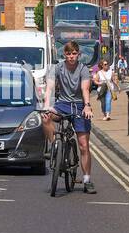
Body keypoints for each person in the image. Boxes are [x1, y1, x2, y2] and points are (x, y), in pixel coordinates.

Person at [42, 41, 96, 194]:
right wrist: (47, 104)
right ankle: (55, 146)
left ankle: (87, 180)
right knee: (45, 117)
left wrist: (87, 105)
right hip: (62, 104)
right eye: (68, 54)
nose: (71, 56)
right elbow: (50, 88)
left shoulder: (83, 69)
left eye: (74, 53)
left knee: (84, 146)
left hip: (79, 106)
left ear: (78, 54)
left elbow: (85, 89)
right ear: (64, 54)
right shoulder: (57, 68)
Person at [95, 56, 116, 120]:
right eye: (105, 64)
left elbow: (113, 80)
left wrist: (118, 87)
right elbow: (95, 81)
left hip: (109, 89)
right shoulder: (99, 73)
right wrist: (100, 83)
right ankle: (104, 114)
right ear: (102, 65)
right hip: (101, 90)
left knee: (108, 101)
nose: (107, 65)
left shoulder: (111, 72)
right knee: (103, 103)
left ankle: (108, 115)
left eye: (107, 64)